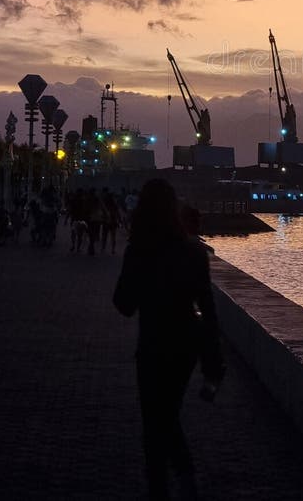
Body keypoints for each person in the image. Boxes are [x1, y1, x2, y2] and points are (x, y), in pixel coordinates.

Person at [113, 178, 224, 500]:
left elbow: (123, 305)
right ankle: (185, 477)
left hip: (152, 344)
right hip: (186, 346)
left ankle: (163, 485)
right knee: (168, 412)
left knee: (154, 419)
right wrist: (213, 363)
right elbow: (208, 309)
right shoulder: (193, 252)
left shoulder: (138, 251)